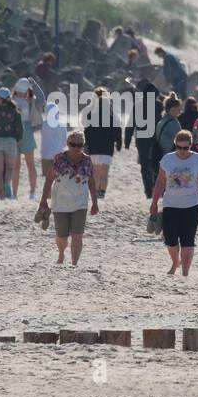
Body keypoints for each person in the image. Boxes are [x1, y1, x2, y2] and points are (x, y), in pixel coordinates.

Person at [149, 129, 198, 276]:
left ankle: (185, 272)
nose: (182, 151)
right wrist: (154, 203)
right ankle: (175, 261)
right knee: (170, 239)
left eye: (185, 148)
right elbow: (160, 182)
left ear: (191, 145)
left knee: (187, 239)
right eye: (179, 147)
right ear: (175, 145)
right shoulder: (167, 159)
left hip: (193, 204)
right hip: (170, 204)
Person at [39, 130, 99, 265]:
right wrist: (43, 201)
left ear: (83, 145)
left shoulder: (87, 160)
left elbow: (92, 182)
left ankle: (74, 264)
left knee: (77, 236)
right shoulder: (59, 159)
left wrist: (95, 203)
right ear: (67, 144)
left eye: (80, 145)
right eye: (73, 144)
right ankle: (61, 254)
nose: (76, 148)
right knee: (62, 237)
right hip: (60, 203)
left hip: (80, 204)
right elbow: (49, 180)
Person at [82, 87, 122, 198]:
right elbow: (117, 131)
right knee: (104, 173)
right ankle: (101, 193)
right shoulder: (112, 117)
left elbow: (87, 132)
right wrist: (118, 144)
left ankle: (95, 193)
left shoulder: (91, 115)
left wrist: (86, 145)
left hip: (94, 148)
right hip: (107, 149)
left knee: (95, 173)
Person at [12, 76, 46, 199]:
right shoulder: (13, 100)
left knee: (28, 165)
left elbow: (42, 98)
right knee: (18, 166)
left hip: (24, 132)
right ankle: (15, 194)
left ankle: (31, 193)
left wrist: (34, 84)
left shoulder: (30, 100)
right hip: (17, 132)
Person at [39, 97, 69, 182]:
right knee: (58, 178)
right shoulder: (62, 125)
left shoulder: (44, 124)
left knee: (47, 179)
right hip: (58, 154)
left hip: (45, 154)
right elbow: (64, 142)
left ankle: (48, 195)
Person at [155, 94, 183, 161]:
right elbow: (182, 140)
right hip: (170, 157)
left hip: (159, 155)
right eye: (178, 109)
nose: (180, 112)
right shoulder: (173, 123)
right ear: (172, 109)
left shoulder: (162, 120)